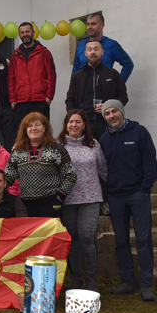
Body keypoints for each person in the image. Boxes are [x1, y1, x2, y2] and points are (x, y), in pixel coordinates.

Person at [100, 100, 157, 302]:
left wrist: (145, 189)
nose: (111, 115)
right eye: (107, 113)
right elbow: (102, 167)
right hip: (116, 196)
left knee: (143, 240)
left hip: (137, 194)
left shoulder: (139, 132)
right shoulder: (105, 138)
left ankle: (146, 284)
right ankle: (127, 282)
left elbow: (150, 162)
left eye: (114, 111)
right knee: (121, 241)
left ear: (121, 112)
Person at [57, 109, 107, 292]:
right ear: (66, 125)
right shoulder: (58, 146)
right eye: (71, 122)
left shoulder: (93, 145)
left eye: (78, 122)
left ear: (84, 125)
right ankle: (76, 277)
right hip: (68, 199)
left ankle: (91, 277)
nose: (74, 125)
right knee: (73, 239)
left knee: (86, 236)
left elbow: (103, 169)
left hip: (90, 198)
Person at [4, 112, 77, 217]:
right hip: (26, 205)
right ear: (25, 130)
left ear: (44, 128)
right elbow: (8, 177)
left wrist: (60, 196)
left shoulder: (57, 149)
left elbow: (71, 175)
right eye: (30, 126)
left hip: (51, 203)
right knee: (31, 233)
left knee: (50, 234)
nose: (34, 128)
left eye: (37, 125)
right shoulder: (17, 152)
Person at [65, 39, 128, 139]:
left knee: (106, 152)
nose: (93, 52)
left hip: (105, 123)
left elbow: (123, 97)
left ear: (102, 52)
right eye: (89, 50)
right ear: (85, 53)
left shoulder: (112, 74)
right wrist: (76, 116)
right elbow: (70, 99)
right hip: (84, 123)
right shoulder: (77, 76)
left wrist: (108, 105)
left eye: (96, 49)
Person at [8, 22, 57, 134]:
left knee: (42, 133)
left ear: (33, 33)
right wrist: (13, 99)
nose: (25, 34)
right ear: (19, 35)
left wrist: (49, 97)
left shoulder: (44, 52)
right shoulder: (15, 55)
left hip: (40, 101)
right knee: (22, 133)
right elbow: (11, 78)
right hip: (21, 102)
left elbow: (51, 75)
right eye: (22, 32)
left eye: (27, 32)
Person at [72, 13, 134, 82]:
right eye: (88, 24)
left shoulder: (111, 44)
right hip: (83, 90)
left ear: (102, 26)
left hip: (105, 89)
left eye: (93, 24)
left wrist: (118, 85)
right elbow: (75, 70)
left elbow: (128, 65)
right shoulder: (81, 45)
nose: (89, 27)